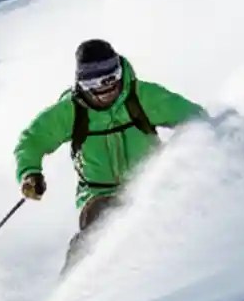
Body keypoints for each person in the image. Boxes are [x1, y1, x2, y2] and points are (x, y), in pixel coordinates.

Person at [13, 39, 206, 270]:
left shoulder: (142, 97)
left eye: (111, 76)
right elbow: (32, 140)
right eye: (94, 80)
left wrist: (190, 153)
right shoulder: (70, 111)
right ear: (81, 82)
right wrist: (30, 173)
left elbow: (195, 118)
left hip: (153, 185)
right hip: (98, 194)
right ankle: (80, 293)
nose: (106, 87)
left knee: (166, 223)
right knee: (99, 229)